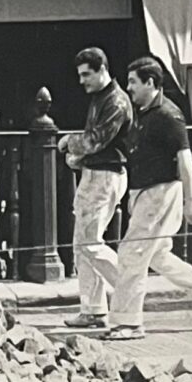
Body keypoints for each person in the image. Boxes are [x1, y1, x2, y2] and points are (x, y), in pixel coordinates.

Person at [102, 57, 192, 339]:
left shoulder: (169, 115)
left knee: (132, 253)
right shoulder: (144, 113)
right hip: (145, 193)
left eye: (133, 81)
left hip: (160, 192)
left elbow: (186, 158)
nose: (128, 87)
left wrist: (191, 200)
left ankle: (128, 323)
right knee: (156, 255)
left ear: (151, 83)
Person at [58, 47, 133, 328]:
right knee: (83, 245)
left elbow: (95, 141)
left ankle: (129, 289)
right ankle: (93, 309)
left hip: (105, 176)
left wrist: (70, 143)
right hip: (96, 173)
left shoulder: (115, 101)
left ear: (102, 69)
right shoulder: (102, 98)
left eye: (86, 74)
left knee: (89, 243)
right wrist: (81, 159)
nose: (82, 81)